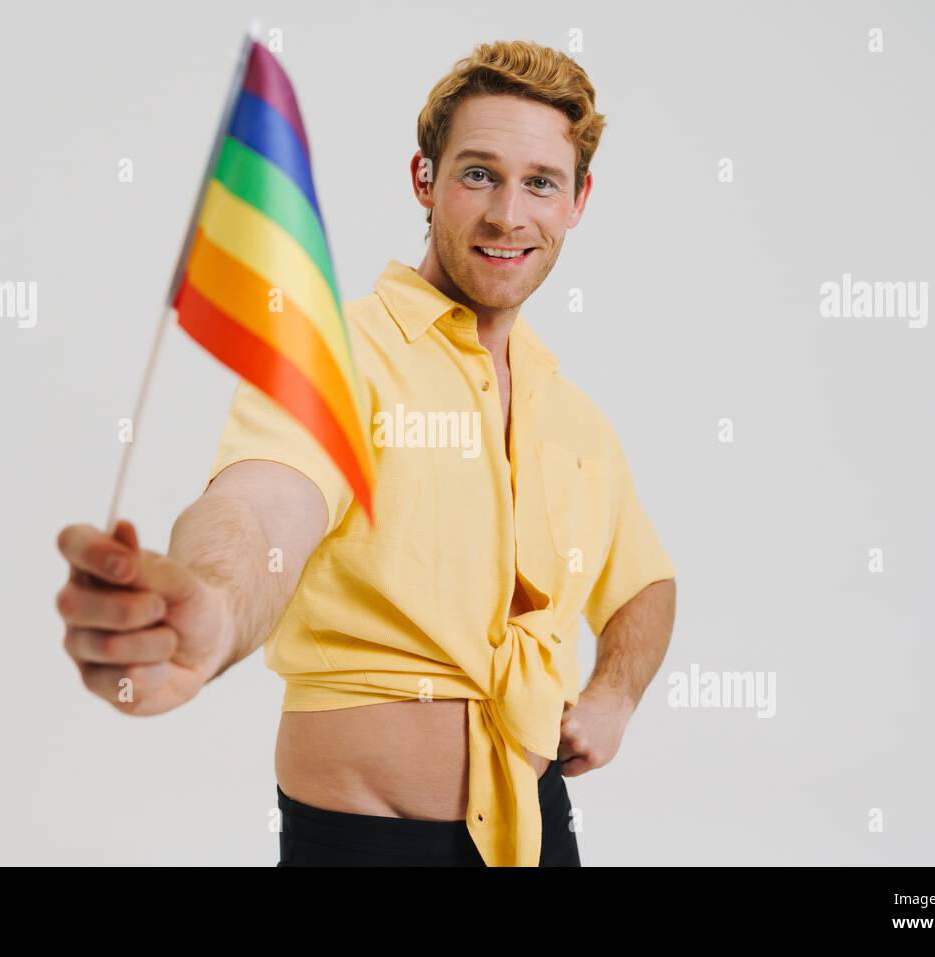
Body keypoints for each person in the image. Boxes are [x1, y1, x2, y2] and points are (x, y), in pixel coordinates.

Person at [55, 39, 677, 867]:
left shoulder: (576, 417)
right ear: (424, 180)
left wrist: (614, 696)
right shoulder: (336, 355)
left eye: (540, 183)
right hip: (364, 844)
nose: (506, 215)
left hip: (539, 832)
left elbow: (645, 583)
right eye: (478, 173)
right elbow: (263, 503)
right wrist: (209, 603)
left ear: (577, 202)